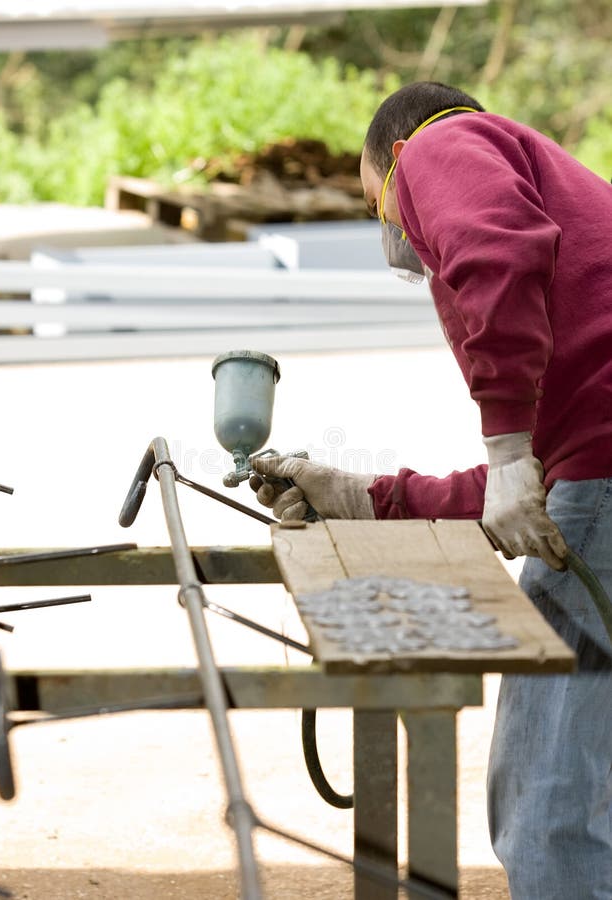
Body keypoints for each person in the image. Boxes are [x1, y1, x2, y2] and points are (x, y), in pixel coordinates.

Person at [250, 82, 612, 899]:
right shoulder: (569, 229)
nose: (393, 224)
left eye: (374, 199)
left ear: (387, 158)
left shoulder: (439, 144)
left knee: (547, 792)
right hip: (596, 472)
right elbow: (542, 484)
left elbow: (499, 250)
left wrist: (508, 440)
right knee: (591, 779)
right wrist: (364, 495)